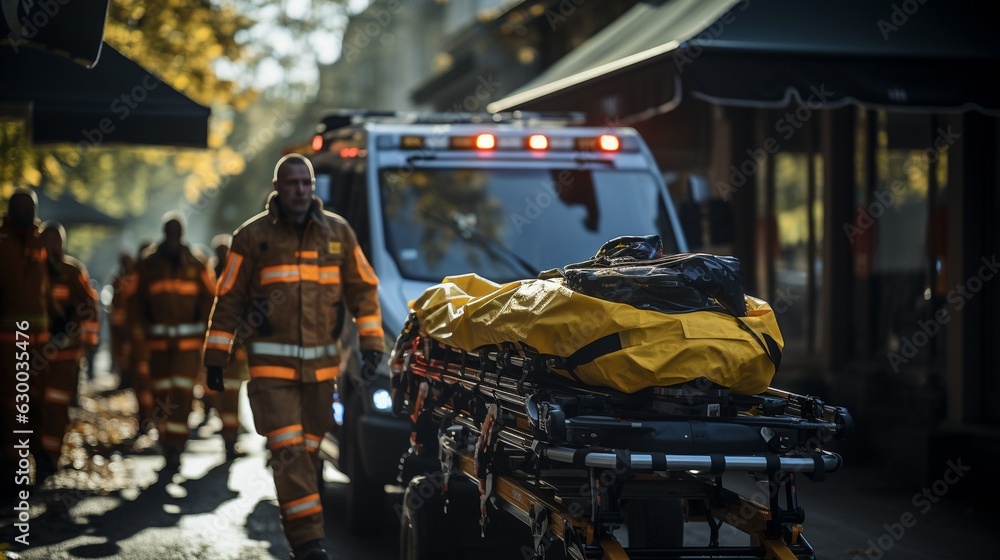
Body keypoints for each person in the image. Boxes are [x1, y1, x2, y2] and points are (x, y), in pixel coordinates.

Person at [203, 154, 384, 560]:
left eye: (307, 182)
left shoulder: (338, 232)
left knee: (307, 451)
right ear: (278, 187)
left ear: (314, 186)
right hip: (271, 372)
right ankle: (308, 544)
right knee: (288, 450)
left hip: (322, 374)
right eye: (293, 183)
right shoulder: (251, 237)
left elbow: (363, 290)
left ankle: (305, 511)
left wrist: (372, 345)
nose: (301, 190)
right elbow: (228, 298)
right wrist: (217, 357)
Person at [130, 214, 216, 470]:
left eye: (177, 232)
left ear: (183, 233)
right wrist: (140, 337)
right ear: (164, 232)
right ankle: (166, 440)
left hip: (188, 349)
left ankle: (176, 446)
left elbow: (210, 300)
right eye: (169, 231)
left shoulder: (198, 265)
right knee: (161, 395)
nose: (173, 237)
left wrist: (205, 335)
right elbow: (135, 302)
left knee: (183, 395)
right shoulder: (147, 265)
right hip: (158, 347)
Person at [0, 189, 50, 500]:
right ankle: (12, 473)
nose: (27, 213)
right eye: (21, 207)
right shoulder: (3, 242)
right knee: (11, 406)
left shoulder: (40, 243)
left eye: (30, 207)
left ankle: (37, 464)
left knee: (35, 404)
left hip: (39, 344)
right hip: (8, 343)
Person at [38, 222, 99, 472]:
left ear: (62, 244)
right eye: (47, 241)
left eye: (56, 242)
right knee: (32, 405)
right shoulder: (30, 271)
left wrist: (87, 341)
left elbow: (90, 307)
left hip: (65, 355)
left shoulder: (73, 271)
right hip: (33, 353)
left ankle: (49, 461)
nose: (52, 247)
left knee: (56, 405)